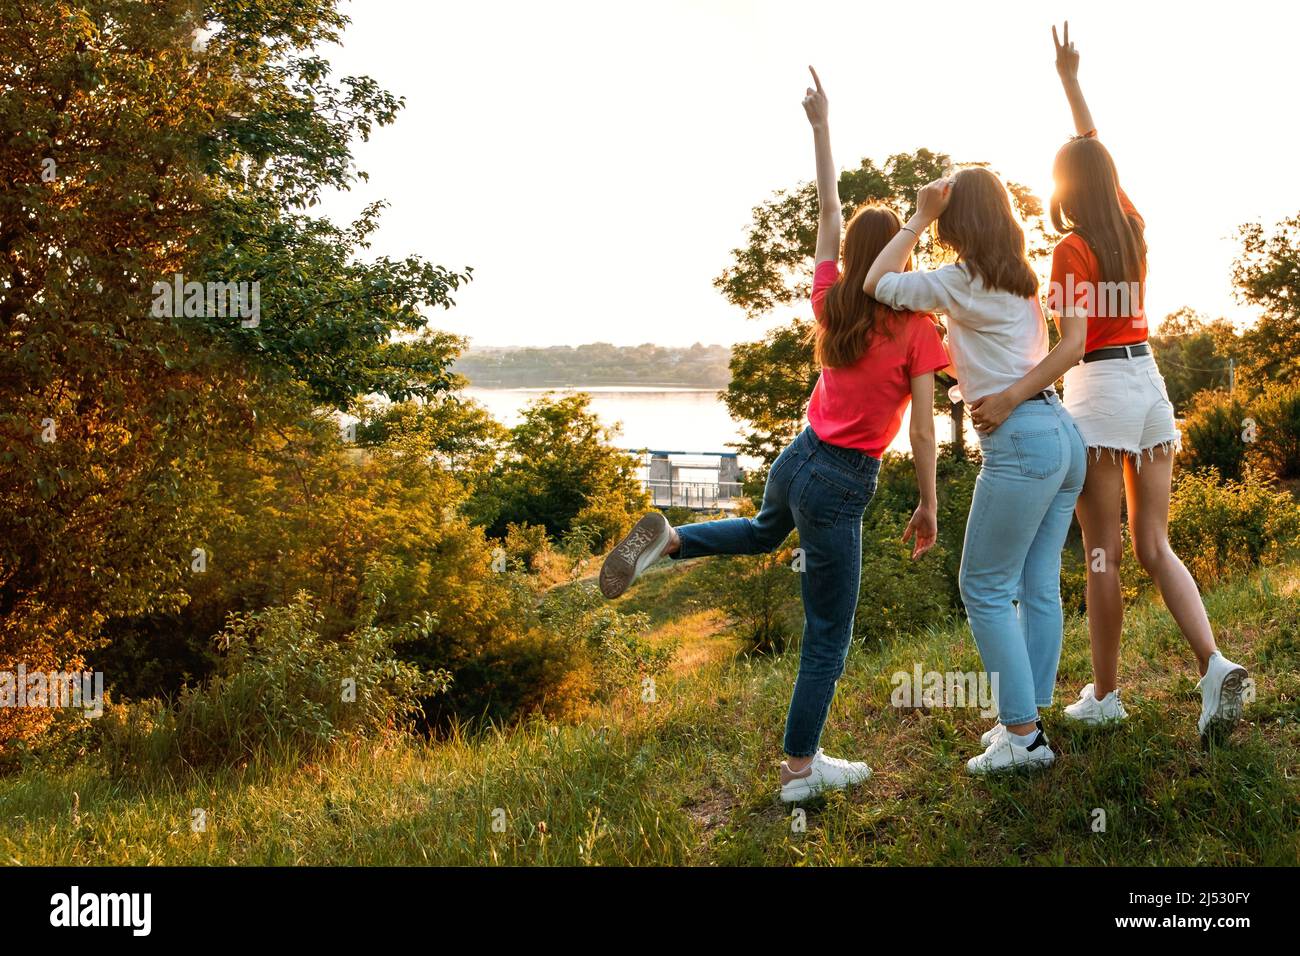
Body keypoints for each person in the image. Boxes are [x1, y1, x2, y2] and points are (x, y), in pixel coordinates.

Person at [599, 67, 949, 801]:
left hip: (798, 459)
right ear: (902, 259)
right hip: (843, 481)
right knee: (829, 632)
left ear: (851, 255)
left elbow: (827, 203)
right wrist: (929, 502)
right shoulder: (916, 325)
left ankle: (672, 542)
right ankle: (800, 770)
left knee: (764, 531)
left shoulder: (832, 301)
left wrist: (821, 126)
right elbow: (922, 428)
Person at [973, 22, 1246, 740]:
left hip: (1098, 395)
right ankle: (1213, 665)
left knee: (1103, 552)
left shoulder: (1070, 250)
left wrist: (1007, 396)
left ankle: (1104, 694)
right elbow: (1098, 155)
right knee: (1156, 547)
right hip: (1151, 386)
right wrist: (1070, 82)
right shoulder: (1129, 220)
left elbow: (1070, 349)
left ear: (1064, 186)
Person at [863, 165, 1087, 774]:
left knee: (983, 587)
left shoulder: (961, 281)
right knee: (1037, 584)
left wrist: (918, 215)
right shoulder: (1021, 278)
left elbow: (877, 281)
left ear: (958, 220)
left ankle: (1023, 736)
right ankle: (1030, 716)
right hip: (1062, 435)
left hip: (1021, 444)